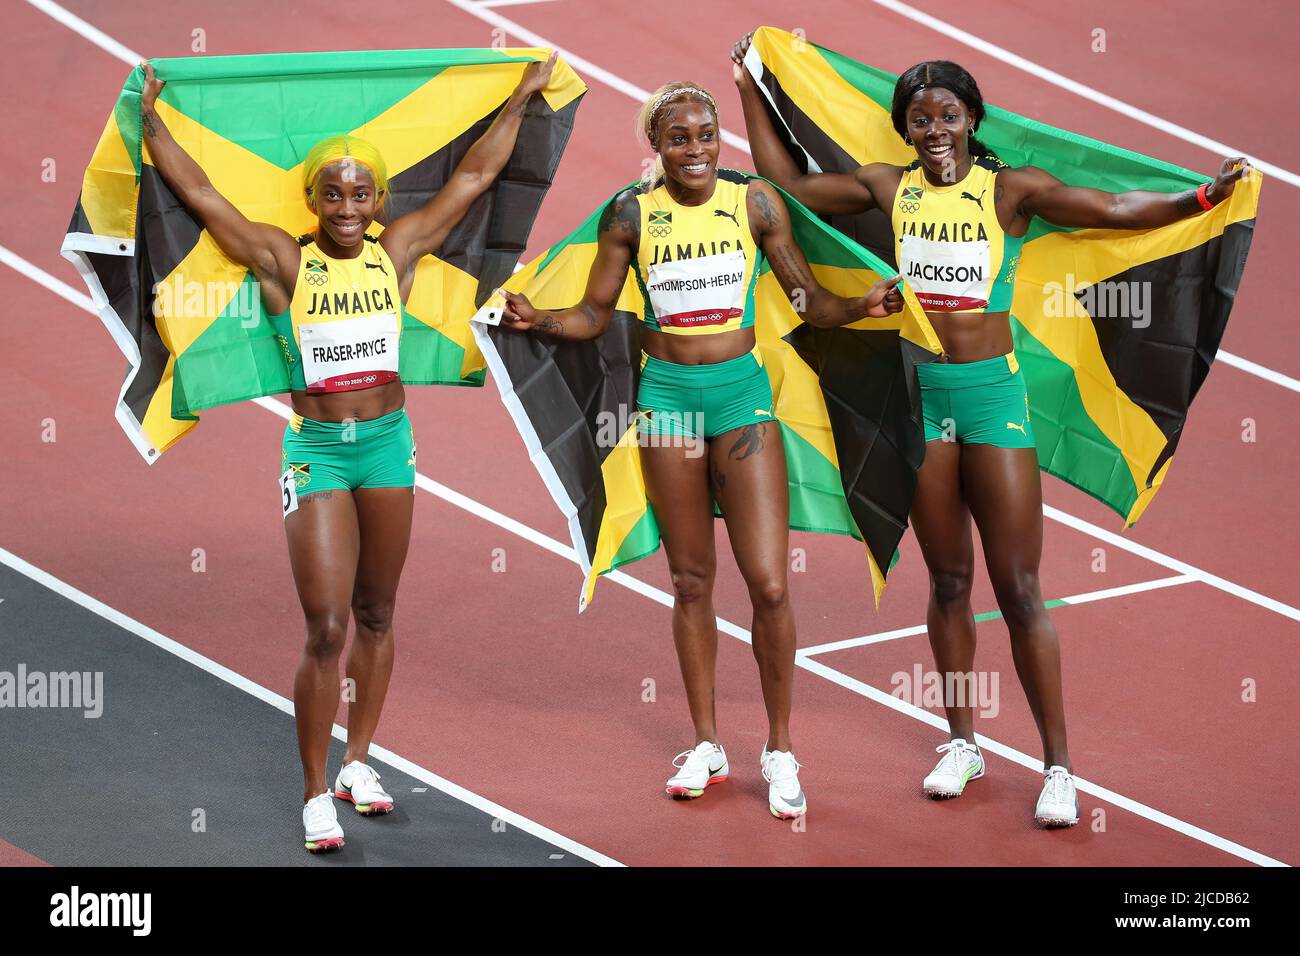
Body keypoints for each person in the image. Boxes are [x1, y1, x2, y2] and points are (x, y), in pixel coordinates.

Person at [732, 39, 1251, 826]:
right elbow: (789, 185)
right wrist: (748, 85)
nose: (934, 129)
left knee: (1018, 587)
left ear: (972, 119)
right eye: (919, 118)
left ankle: (1059, 767)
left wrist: (1201, 200)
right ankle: (964, 743)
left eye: (947, 115)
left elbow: (1110, 210)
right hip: (922, 399)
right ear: (904, 128)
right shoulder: (888, 186)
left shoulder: (1010, 192)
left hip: (991, 400)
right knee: (947, 582)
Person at [138, 54, 557, 851]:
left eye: (360, 193)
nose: (346, 205)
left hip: (389, 448)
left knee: (377, 611)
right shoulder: (283, 261)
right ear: (313, 200)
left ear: (379, 200)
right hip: (320, 454)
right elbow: (200, 196)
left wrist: (523, 98)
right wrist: (151, 123)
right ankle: (311, 794)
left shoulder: (393, 252)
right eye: (332, 192)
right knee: (328, 627)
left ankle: (358, 761)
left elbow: (470, 181)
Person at [497, 81, 905, 820]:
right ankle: (708, 743)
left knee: (771, 584)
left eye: (707, 135)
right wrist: (541, 320)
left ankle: (780, 748)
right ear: (657, 148)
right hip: (666, 405)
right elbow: (596, 310)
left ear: (723, 139)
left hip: (741, 398)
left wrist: (861, 306)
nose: (696, 150)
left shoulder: (755, 205)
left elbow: (806, 298)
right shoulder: (631, 213)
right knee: (690, 580)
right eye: (679, 138)